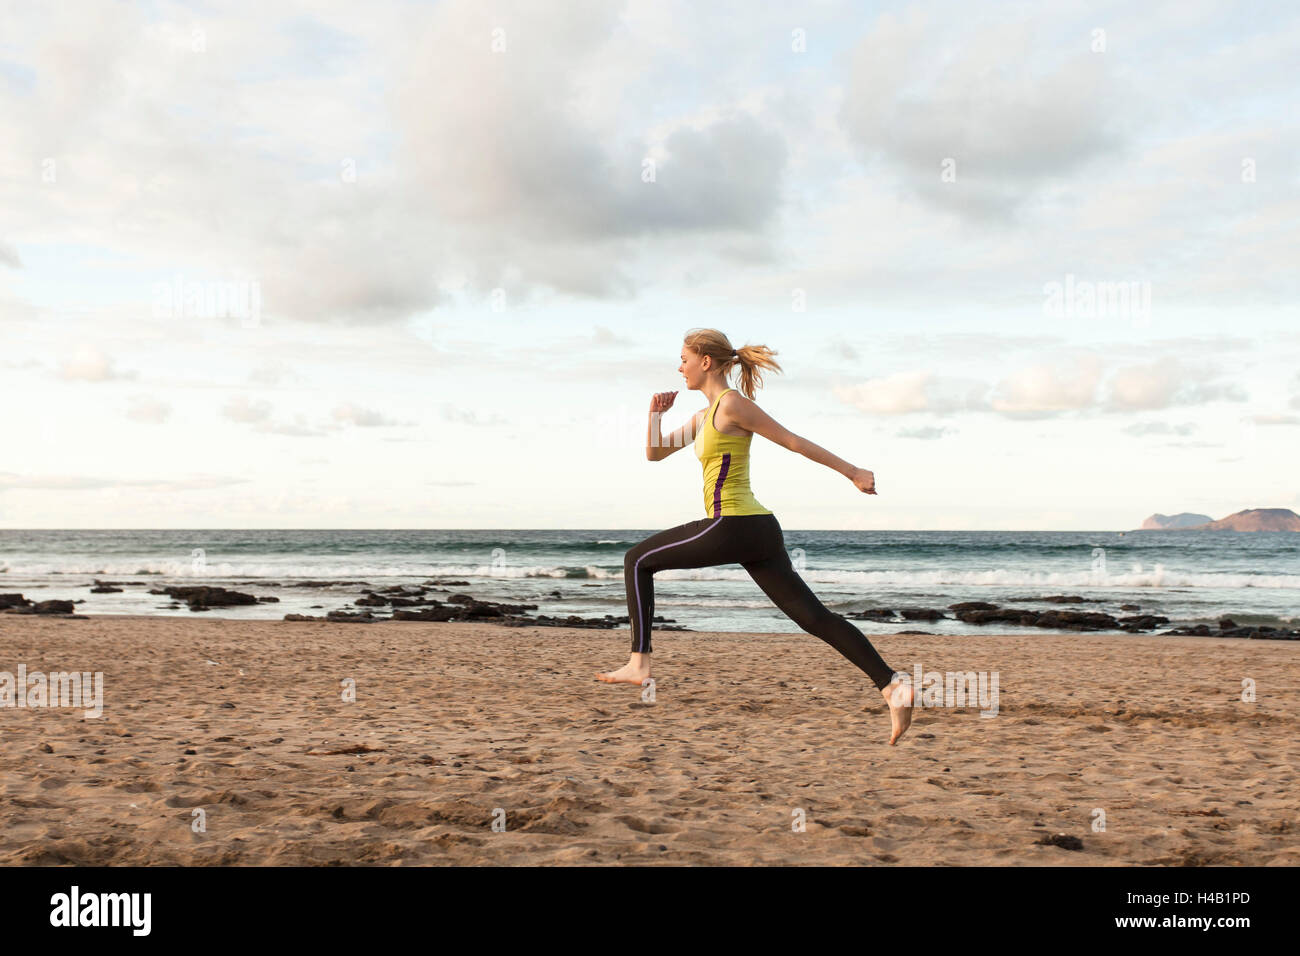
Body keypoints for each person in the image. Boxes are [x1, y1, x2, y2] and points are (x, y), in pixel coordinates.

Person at [596, 328, 915, 745]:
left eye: (684, 359)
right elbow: (655, 453)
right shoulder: (704, 415)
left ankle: (640, 662)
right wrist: (655, 415)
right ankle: (893, 686)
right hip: (755, 531)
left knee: (637, 560)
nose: (680, 368)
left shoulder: (732, 405)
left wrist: (852, 472)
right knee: (813, 618)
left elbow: (793, 441)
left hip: (735, 523)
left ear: (705, 362)